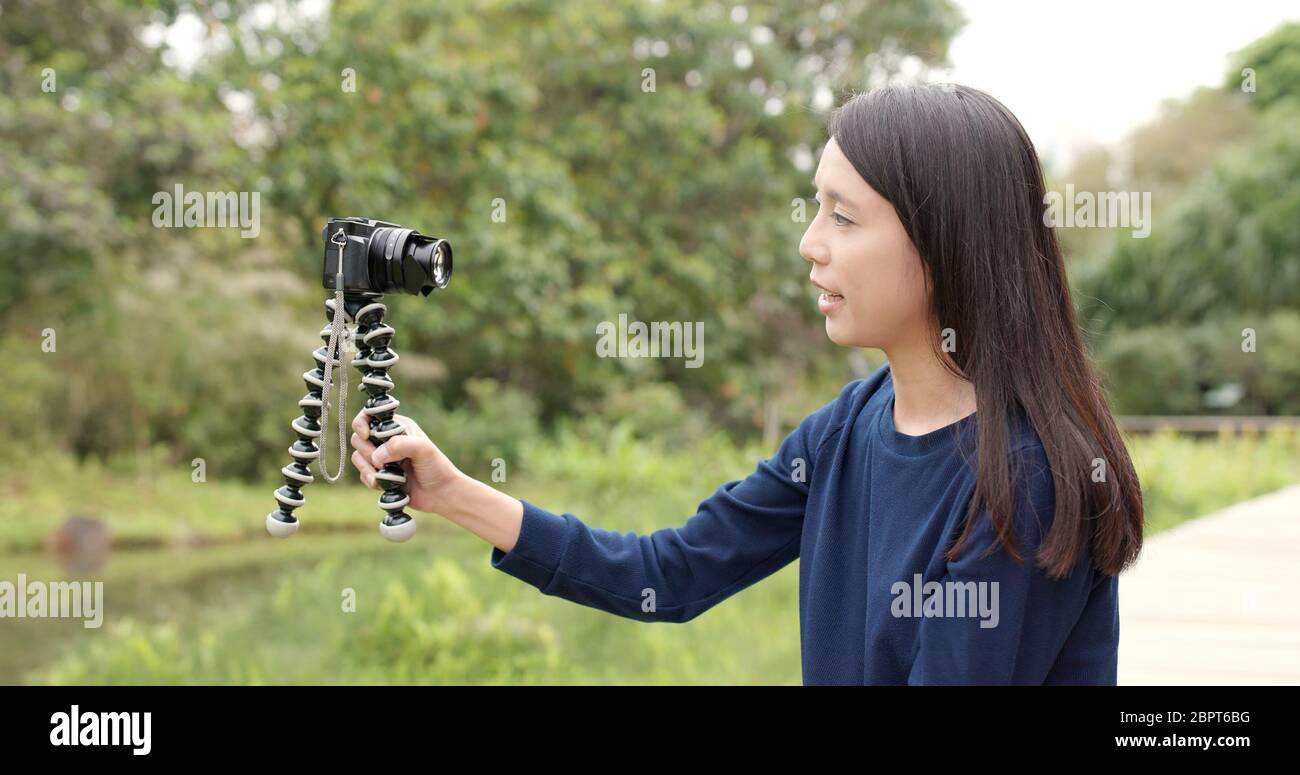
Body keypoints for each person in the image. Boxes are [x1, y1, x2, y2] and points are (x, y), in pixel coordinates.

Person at [349, 83, 1144, 685]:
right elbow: (669, 572)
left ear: (943, 242)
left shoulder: (1023, 481)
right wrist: (452, 491)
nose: (809, 243)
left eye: (843, 216)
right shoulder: (847, 427)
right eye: (815, 209)